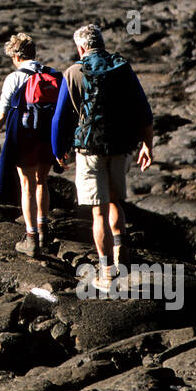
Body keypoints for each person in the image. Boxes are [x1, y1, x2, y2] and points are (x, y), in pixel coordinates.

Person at [51, 24, 154, 291]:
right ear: (102, 43)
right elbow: (143, 110)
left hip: (89, 150)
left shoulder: (73, 72)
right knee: (114, 201)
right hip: (119, 147)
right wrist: (147, 146)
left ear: (81, 47)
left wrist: (57, 150)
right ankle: (122, 251)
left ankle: (107, 271)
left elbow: (61, 118)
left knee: (98, 211)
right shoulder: (122, 67)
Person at [0, 33, 61, 258]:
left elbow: (2, 112)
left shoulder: (14, 78)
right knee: (42, 181)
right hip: (48, 136)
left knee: (26, 184)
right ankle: (44, 230)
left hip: (25, 136)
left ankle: (31, 239)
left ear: (17, 56)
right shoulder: (53, 75)